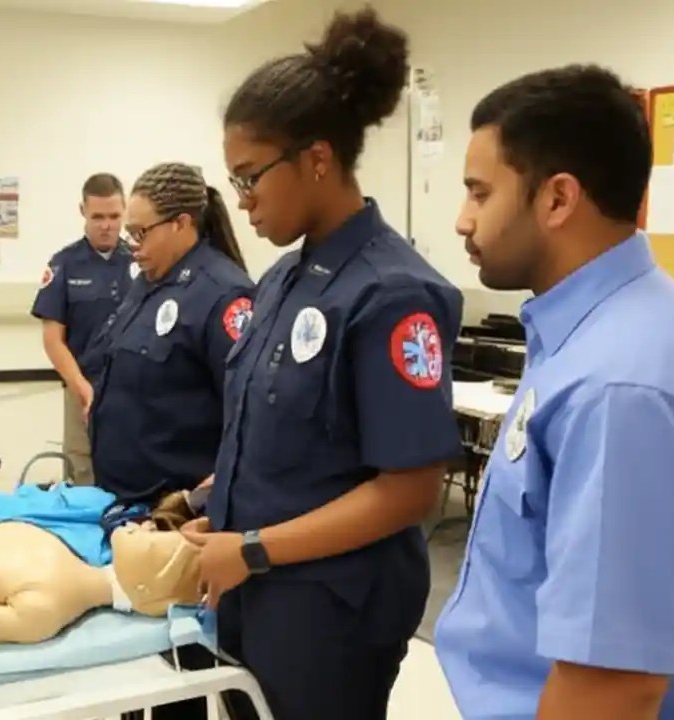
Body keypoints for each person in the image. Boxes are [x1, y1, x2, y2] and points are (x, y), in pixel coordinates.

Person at [182, 9, 464, 720]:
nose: (240, 201)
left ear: (316, 159)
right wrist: (213, 512)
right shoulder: (283, 281)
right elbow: (283, 445)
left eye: (250, 179)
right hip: (258, 586)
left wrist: (249, 548)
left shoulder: (393, 293)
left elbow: (411, 488)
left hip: (332, 609)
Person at [435, 65, 674, 720]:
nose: (461, 219)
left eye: (480, 193)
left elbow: (610, 688)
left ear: (558, 199)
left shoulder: (626, 383)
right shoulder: (587, 338)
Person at [87, 161, 253, 720]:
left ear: (183, 224)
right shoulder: (145, 285)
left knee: (179, 678)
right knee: (135, 669)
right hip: (128, 509)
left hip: (180, 520)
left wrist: (196, 503)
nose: (132, 244)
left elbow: (245, 417)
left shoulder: (224, 296)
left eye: (141, 231)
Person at [31, 173, 134, 486]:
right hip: (82, 386)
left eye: (115, 216)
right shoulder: (64, 264)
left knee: (131, 469)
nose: (107, 225)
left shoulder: (142, 261)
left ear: (125, 211)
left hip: (132, 389)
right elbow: (53, 340)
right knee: (81, 474)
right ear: (83, 212)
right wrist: (79, 385)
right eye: (98, 216)